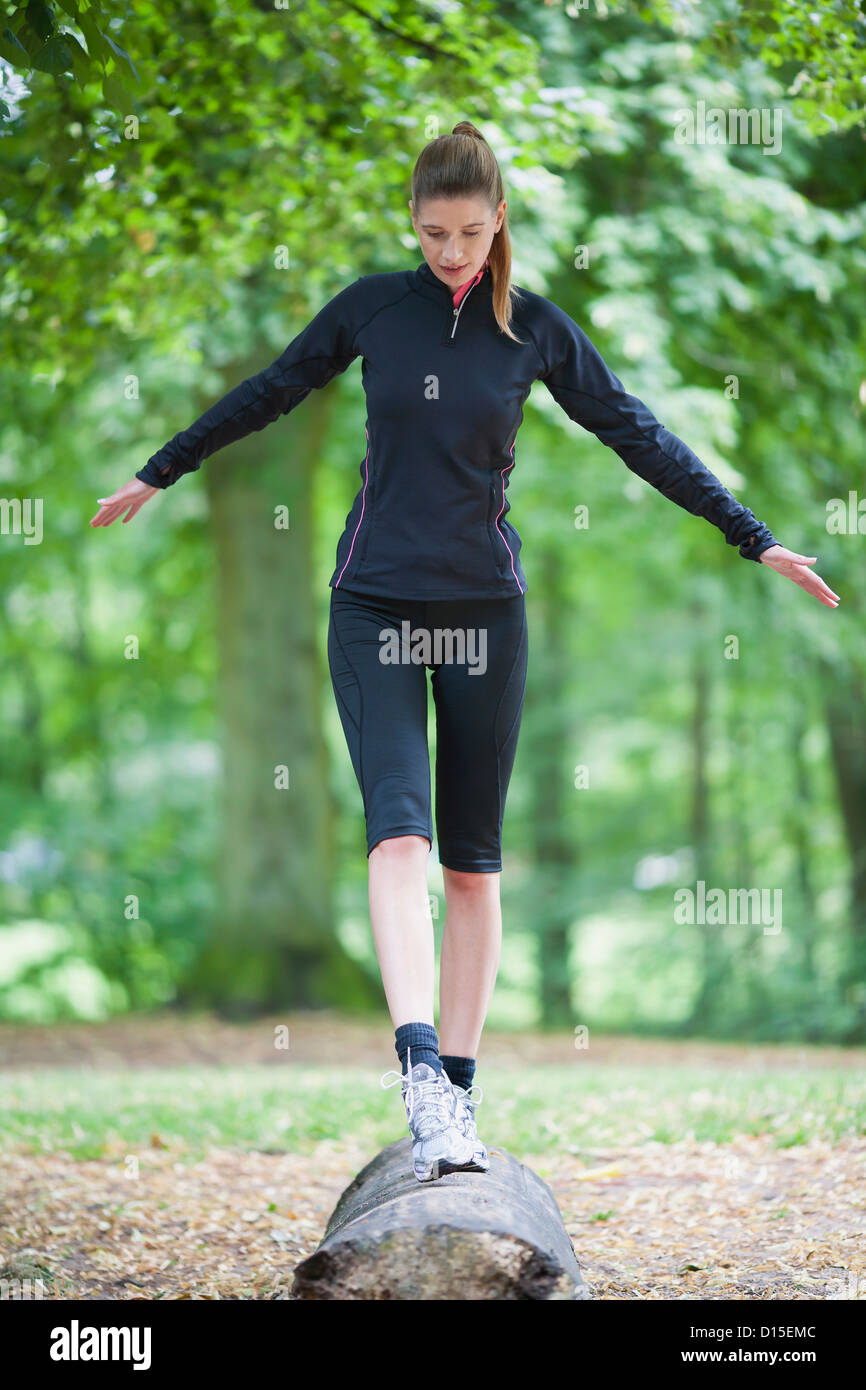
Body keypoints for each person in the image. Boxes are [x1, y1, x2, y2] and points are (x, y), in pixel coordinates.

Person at [91, 121, 840, 1184]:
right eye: (433, 232)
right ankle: (416, 1078)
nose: (450, 252)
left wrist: (752, 537)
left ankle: (462, 1093)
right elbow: (270, 388)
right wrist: (160, 471)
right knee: (396, 837)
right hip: (374, 605)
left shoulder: (533, 329)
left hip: (485, 611)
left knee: (471, 868)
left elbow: (637, 433)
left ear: (498, 224)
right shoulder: (371, 309)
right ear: (412, 221)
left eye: (469, 233)